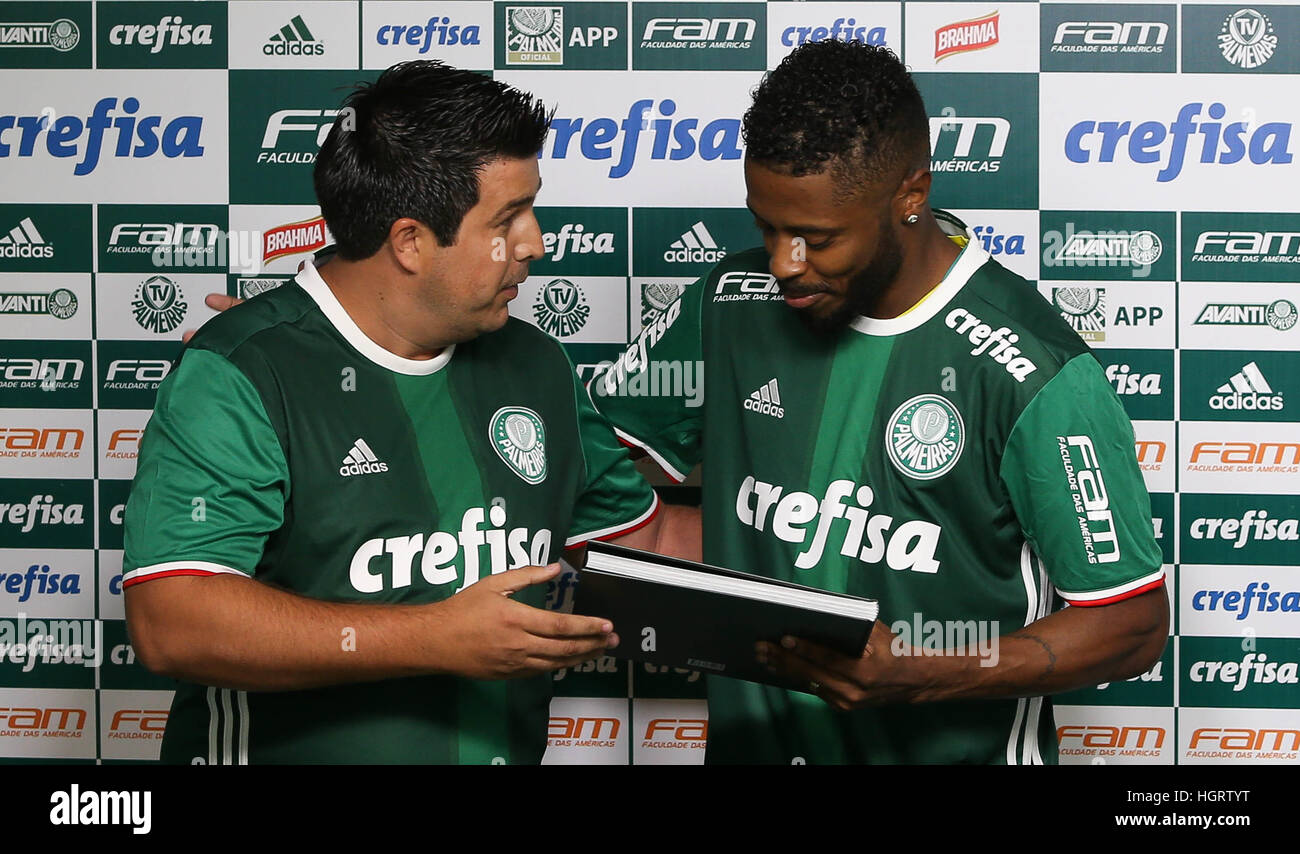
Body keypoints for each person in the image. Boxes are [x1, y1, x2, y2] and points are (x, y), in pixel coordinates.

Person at [589, 41, 1168, 764]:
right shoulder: (729, 302)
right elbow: (590, 466)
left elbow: (1133, 625)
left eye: (816, 239)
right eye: (766, 227)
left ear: (910, 196)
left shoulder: (1031, 367)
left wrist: (924, 675)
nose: (781, 264)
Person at [122, 61, 695, 765]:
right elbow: (173, 623)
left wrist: (844, 574)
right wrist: (434, 639)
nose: (535, 243)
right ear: (409, 241)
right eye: (506, 219)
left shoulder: (535, 364)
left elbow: (645, 543)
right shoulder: (240, 370)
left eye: (531, 207)